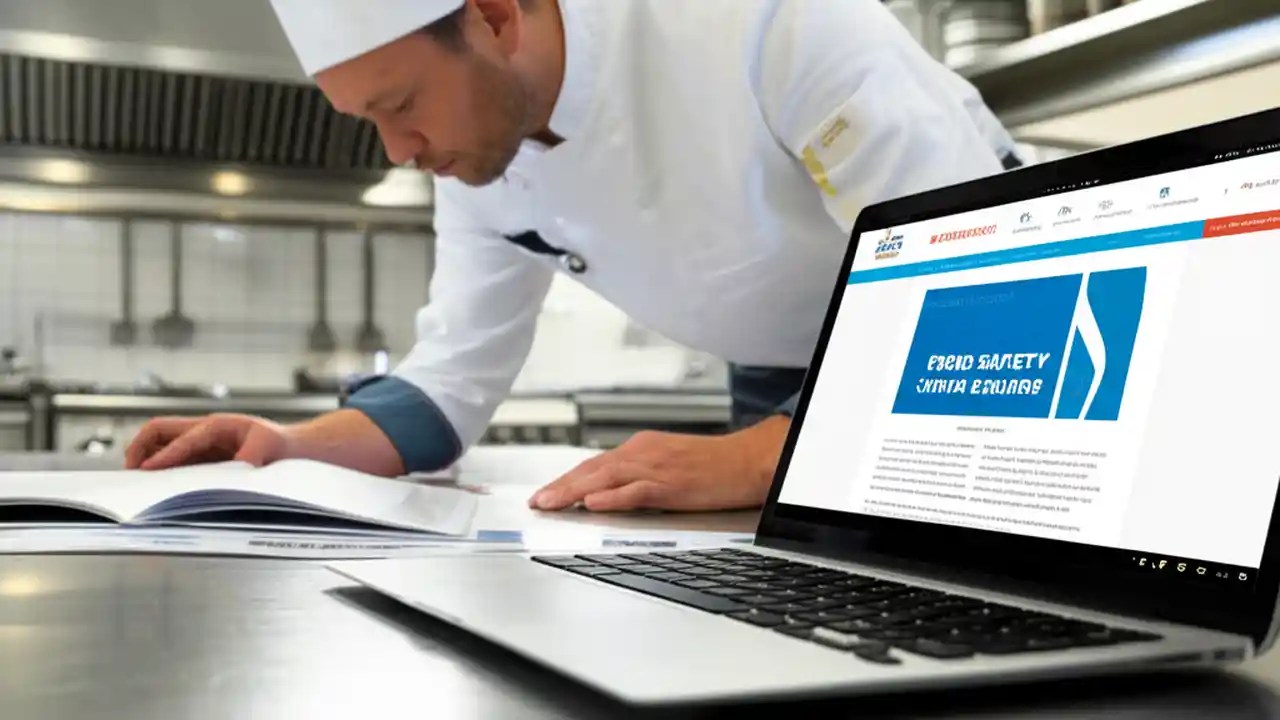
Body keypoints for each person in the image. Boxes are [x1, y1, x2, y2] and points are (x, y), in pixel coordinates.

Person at [125, 0, 1020, 512]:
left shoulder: (762, 21)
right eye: (370, 122)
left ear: (493, 15)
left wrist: (759, 457)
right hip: (784, 388)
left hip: (972, 347)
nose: (398, 152)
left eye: (400, 105)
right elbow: (449, 381)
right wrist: (285, 447)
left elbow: (977, 287)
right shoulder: (477, 159)